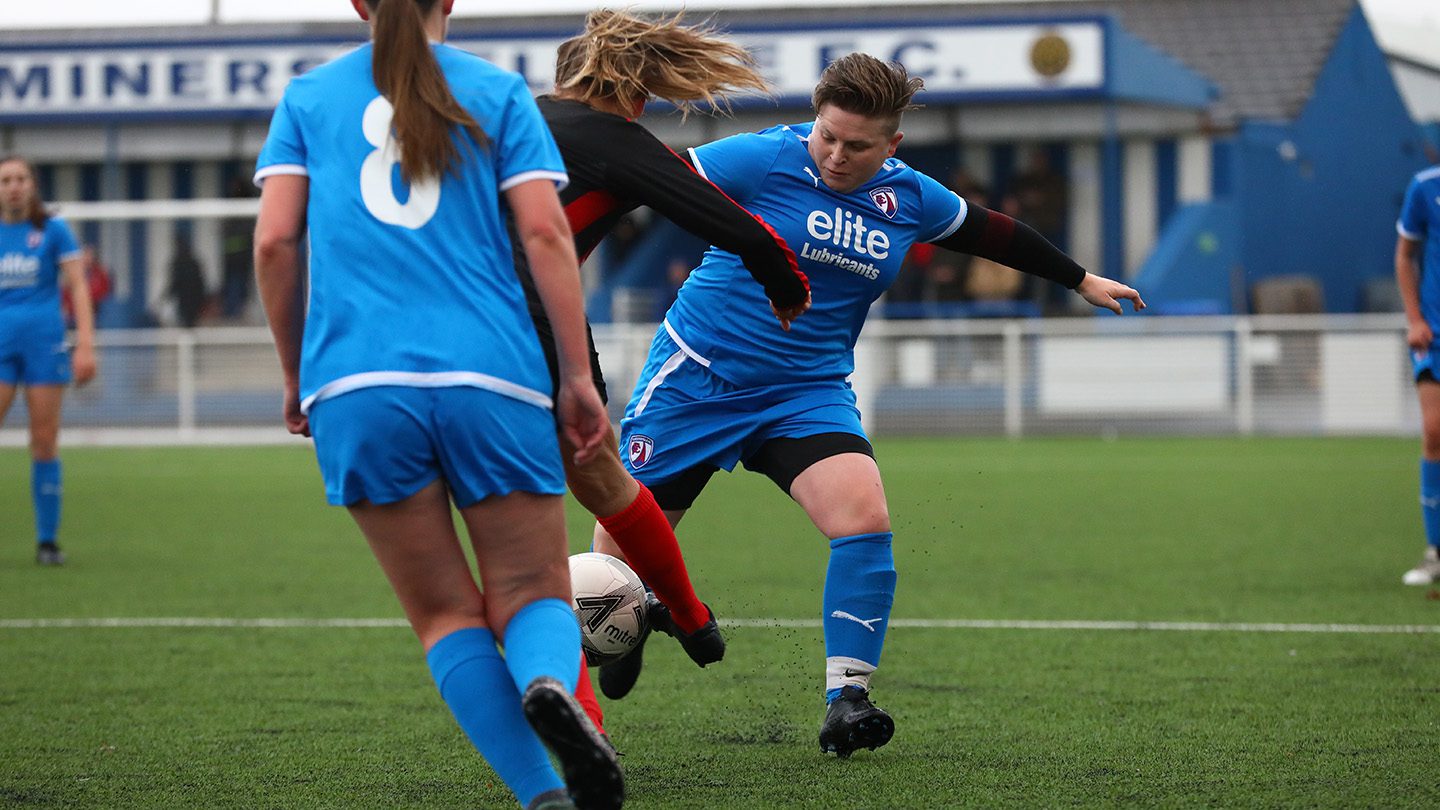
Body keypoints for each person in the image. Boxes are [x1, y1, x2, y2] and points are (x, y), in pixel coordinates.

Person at [595, 54, 1143, 758]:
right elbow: (646, 179)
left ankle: (847, 700)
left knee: (864, 518)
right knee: (612, 569)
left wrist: (1080, 278)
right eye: (826, 135)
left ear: (892, 144)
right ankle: (633, 623)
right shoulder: (762, 158)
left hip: (806, 392)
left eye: (857, 145)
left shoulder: (909, 196)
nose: (835, 154)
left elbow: (991, 232)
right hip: (695, 382)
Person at [252, 2, 620, 809]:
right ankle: (548, 682)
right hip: (492, 374)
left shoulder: (309, 98)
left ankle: (542, 795)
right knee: (532, 593)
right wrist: (575, 375)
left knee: (445, 615)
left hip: (357, 385)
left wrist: (294, 373)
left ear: (358, 4)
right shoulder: (497, 91)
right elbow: (547, 235)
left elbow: (275, 242)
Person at [517, 8, 811, 713]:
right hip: (529, 325)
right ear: (626, 89)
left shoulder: (505, 121)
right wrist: (786, 284)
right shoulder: (610, 138)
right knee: (600, 480)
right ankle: (685, 615)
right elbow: (727, 221)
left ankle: (609, 671)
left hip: (424, 332)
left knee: (506, 542)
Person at [0, 155, 98, 566]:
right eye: (6, 180)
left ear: (33, 184)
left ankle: (47, 541)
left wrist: (86, 345)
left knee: (43, 440)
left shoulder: (53, 229)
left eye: (20, 178)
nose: (14, 186)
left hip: (45, 345)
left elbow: (78, 286)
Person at [1396, 161, 1440, 586]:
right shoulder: (1425, 186)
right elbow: (1405, 254)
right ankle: (1435, 552)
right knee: (1433, 431)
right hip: (1434, 335)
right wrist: (1414, 319)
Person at [166, 234, 208, 328]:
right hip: (192, 295)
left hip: (187, 295)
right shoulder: (192, 260)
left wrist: (168, 294)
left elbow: (176, 281)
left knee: (188, 319)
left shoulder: (179, 262)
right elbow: (200, 279)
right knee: (190, 320)